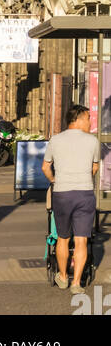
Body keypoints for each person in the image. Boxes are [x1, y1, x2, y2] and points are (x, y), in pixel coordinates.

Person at [42, 104, 100, 290]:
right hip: (84, 193)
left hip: (62, 193)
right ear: (79, 118)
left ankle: (63, 276)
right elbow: (95, 167)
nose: (90, 121)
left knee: (63, 238)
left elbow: (45, 167)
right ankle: (76, 283)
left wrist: (54, 179)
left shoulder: (55, 140)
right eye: (88, 117)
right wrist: (82, 178)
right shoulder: (93, 141)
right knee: (82, 239)